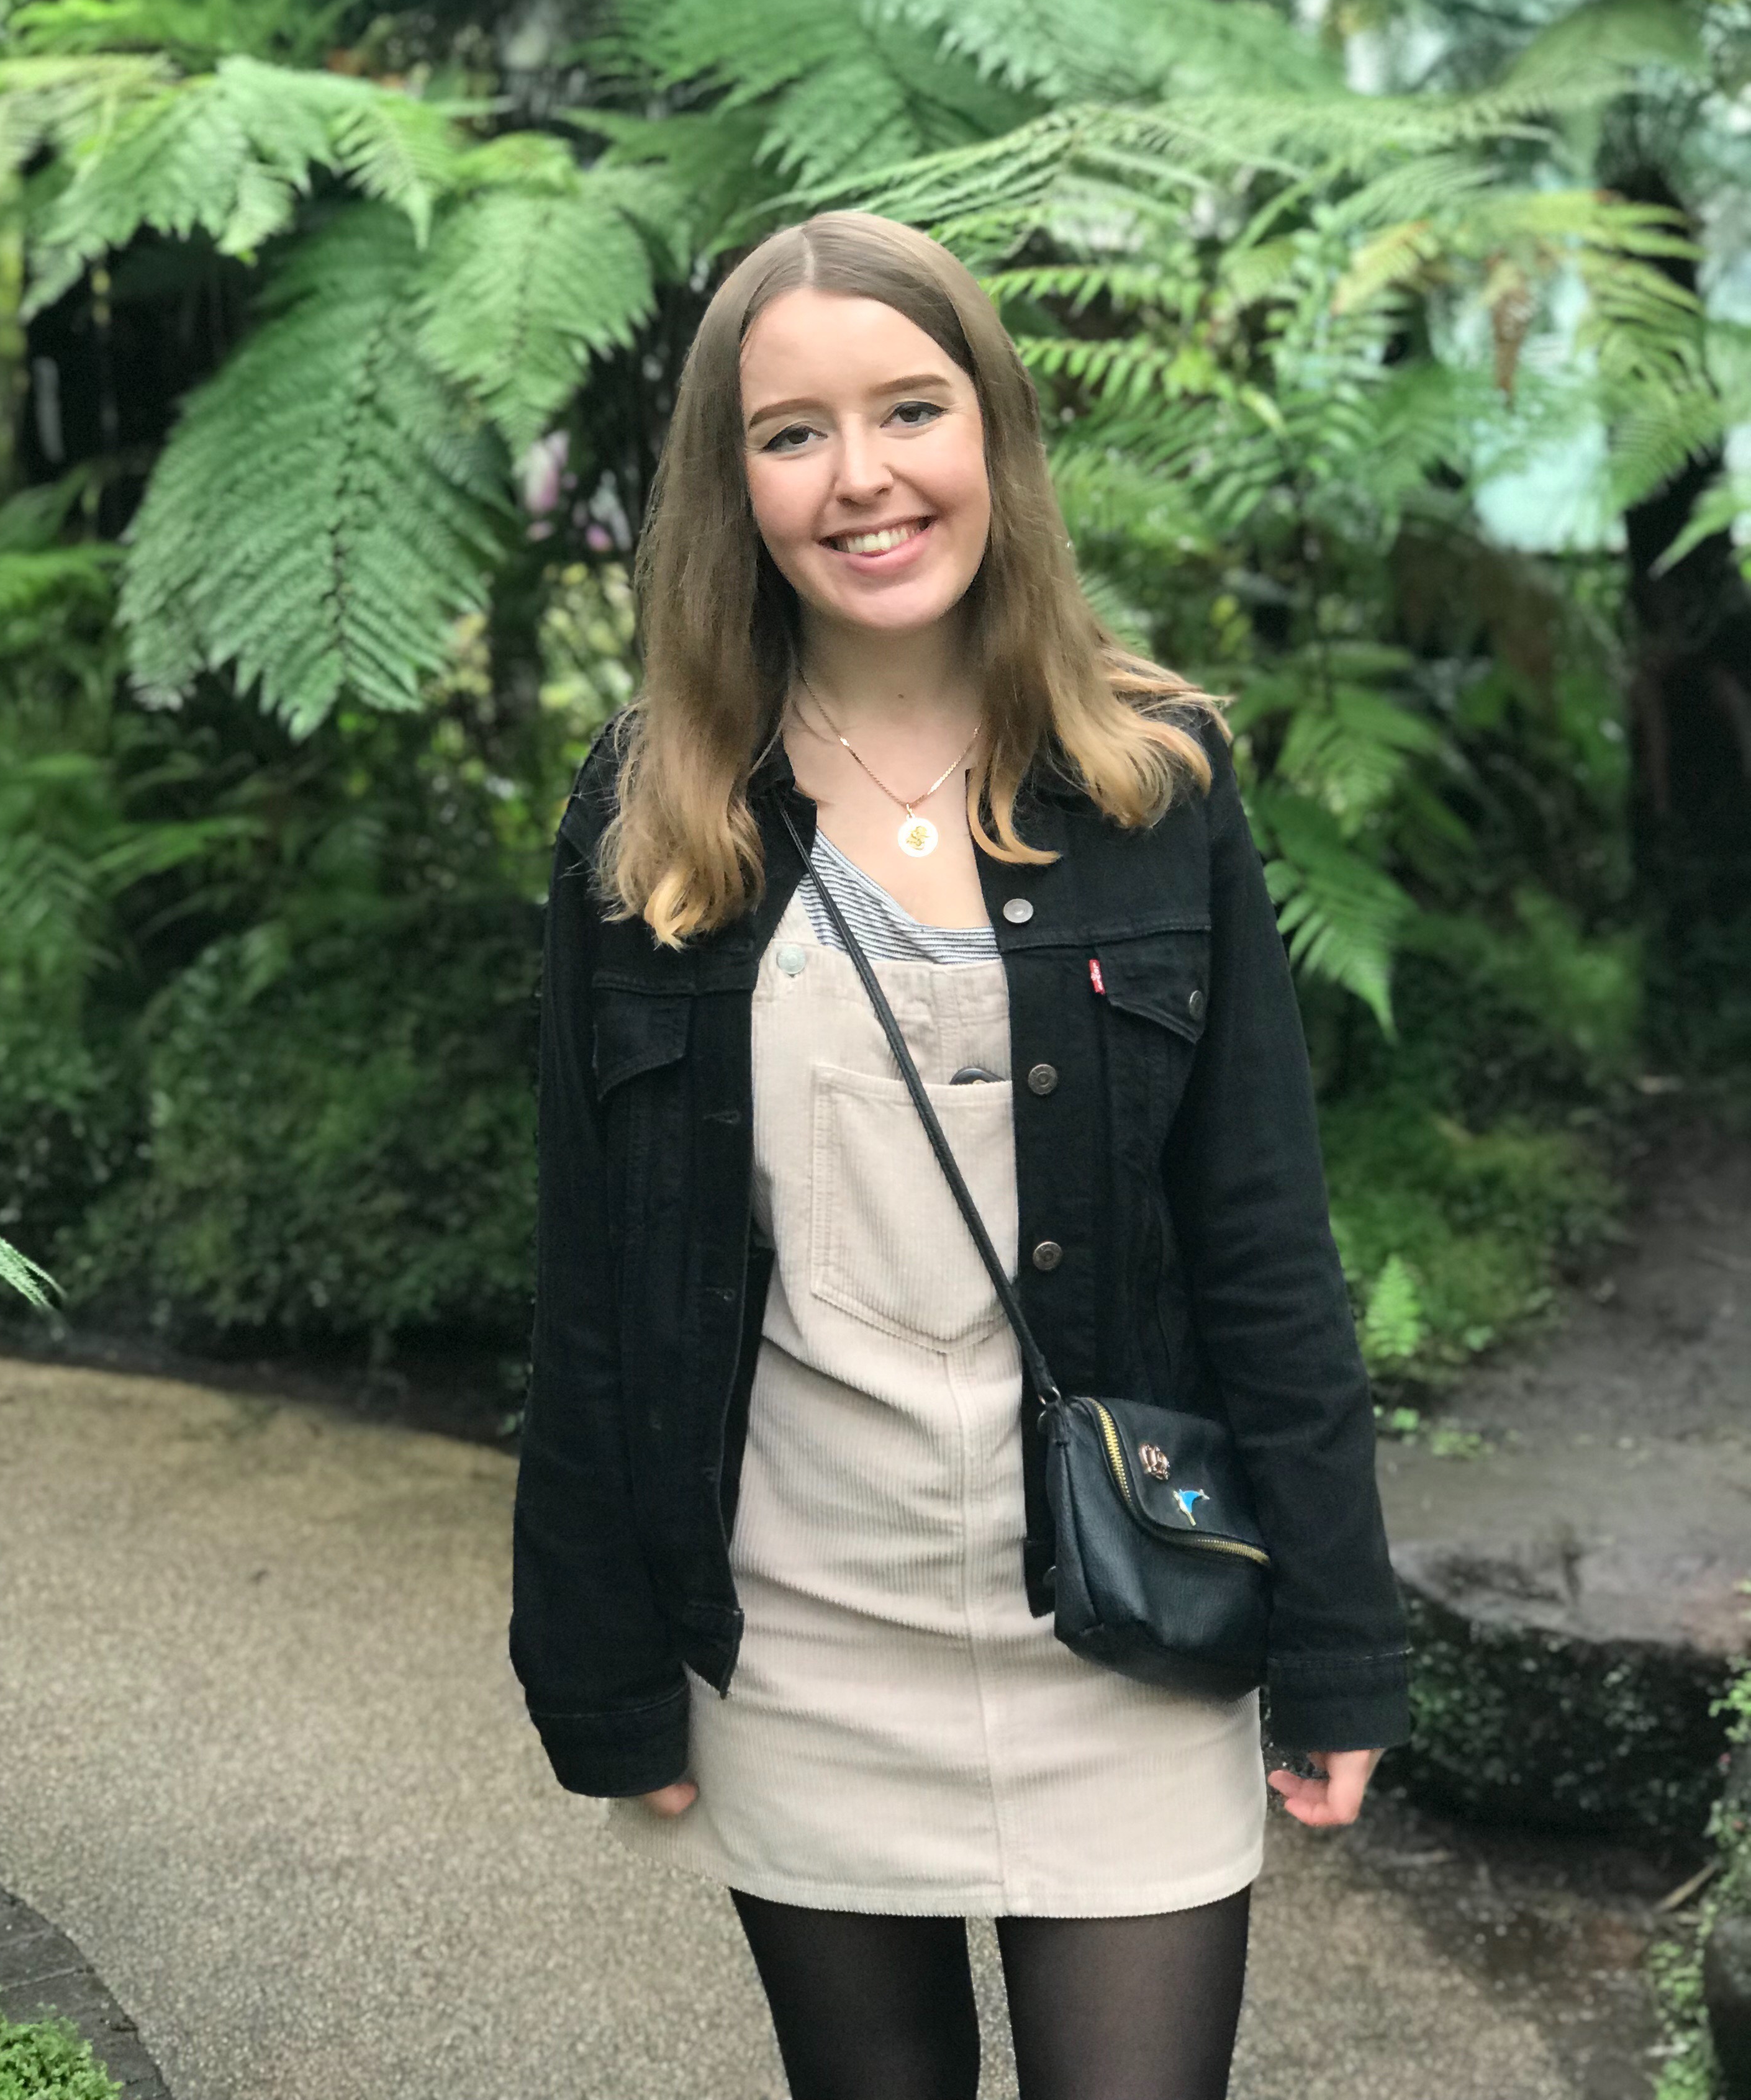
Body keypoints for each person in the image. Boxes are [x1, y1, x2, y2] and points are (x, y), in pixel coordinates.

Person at [510, 210, 1410, 2100]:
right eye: (793, 433)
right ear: (734, 487)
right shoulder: (651, 811)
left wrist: (1340, 1640)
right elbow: (595, 1271)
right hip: (805, 1631)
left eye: (910, 409)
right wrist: (597, 1663)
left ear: (992, 428)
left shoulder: (1154, 781)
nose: (862, 477)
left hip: (1124, 1625)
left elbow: (1263, 1237)